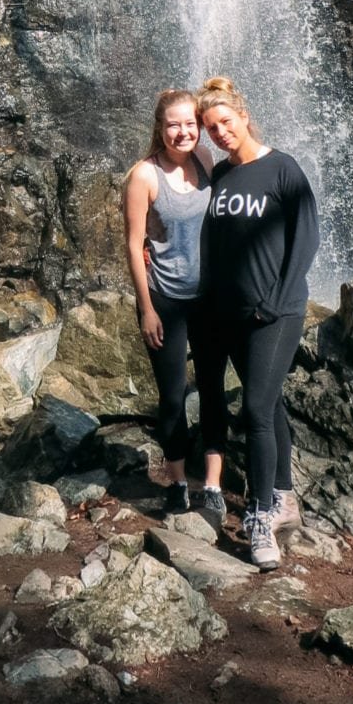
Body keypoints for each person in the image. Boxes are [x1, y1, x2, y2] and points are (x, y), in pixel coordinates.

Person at [195, 75, 319, 569]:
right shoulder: (221, 176)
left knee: (255, 410)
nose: (220, 133)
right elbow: (212, 245)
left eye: (225, 122)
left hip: (275, 313)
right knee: (269, 406)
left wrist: (276, 301)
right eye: (211, 128)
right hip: (228, 314)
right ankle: (285, 496)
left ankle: (260, 516)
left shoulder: (283, 168)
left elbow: (306, 241)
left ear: (243, 116)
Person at [122, 88, 228, 522]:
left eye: (189, 124)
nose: (183, 132)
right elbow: (133, 245)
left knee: (213, 389)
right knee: (172, 396)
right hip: (165, 299)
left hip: (208, 299)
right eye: (173, 125)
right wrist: (146, 308)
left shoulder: (204, 158)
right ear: (160, 128)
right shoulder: (144, 176)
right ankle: (179, 483)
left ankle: (214, 486)